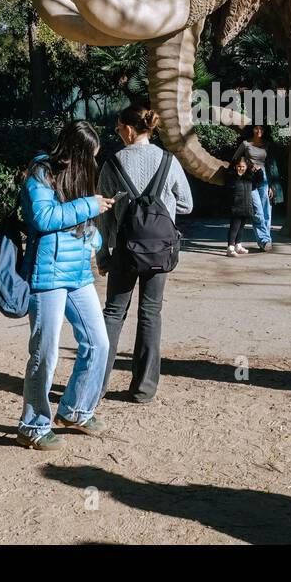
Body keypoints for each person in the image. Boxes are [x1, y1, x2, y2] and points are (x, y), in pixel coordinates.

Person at [18, 120, 116, 449]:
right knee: (45, 353)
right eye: (90, 155)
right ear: (75, 152)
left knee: (98, 343)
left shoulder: (77, 175)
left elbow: (77, 221)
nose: (93, 162)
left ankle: (75, 409)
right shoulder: (40, 172)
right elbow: (43, 218)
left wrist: (95, 237)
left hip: (78, 274)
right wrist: (90, 205)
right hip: (48, 275)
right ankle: (33, 424)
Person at [96, 105, 193, 403]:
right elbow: (187, 204)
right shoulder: (168, 160)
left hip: (125, 250)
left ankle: (95, 387)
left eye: (117, 128)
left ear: (128, 129)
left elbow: (103, 214)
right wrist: (161, 211)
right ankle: (143, 389)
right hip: (160, 252)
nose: (116, 133)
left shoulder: (113, 164)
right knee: (150, 313)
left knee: (113, 313)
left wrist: (103, 254)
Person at [232, 124, 273, 251]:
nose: (259, 130)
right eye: (256, 128)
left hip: (264, 178)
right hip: (250, 179)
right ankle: (264, 240)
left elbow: (271, 164)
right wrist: (248, 165)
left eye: (261, 128)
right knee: (257, 211)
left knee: (266, 211)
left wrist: (271, 185)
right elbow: (235, 159)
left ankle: (265, 240)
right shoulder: (245, 144)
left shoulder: (266, 144)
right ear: (252, 129)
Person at [224, 154, 254, 257]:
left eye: (243, 166)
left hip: (246, 205)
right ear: (235, 166)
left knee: (241, 227)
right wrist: (237, 175)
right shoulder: (231, 176)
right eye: (239, 166)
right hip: (236, 206)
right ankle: (230, 247)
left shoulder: (249, 176)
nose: (241, 168)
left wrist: (259, 172)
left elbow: (258, 183)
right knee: (234, 227)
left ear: (247, 167)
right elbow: (229, 186)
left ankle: (238, 245)